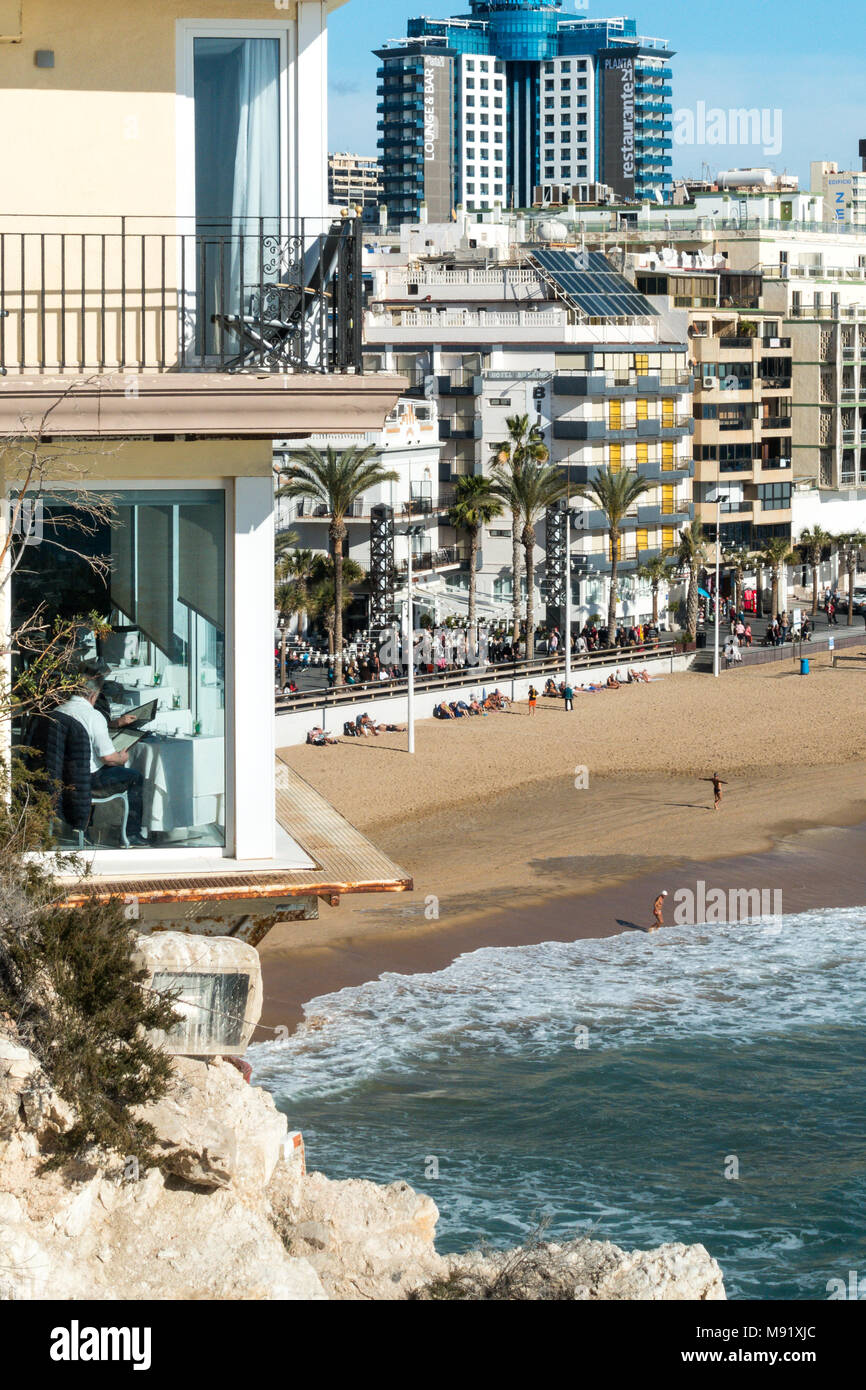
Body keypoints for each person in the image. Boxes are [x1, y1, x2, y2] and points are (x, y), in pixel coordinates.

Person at [56, 674, 147, 844]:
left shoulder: (59, 710)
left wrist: (114, 723)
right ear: (93, 694)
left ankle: (82, 829)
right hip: (87, 780)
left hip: (61, 776)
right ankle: (132, 835)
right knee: (135, 777)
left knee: (92, 764)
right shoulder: (93, 716)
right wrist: (122, 757)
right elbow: (108, 758)